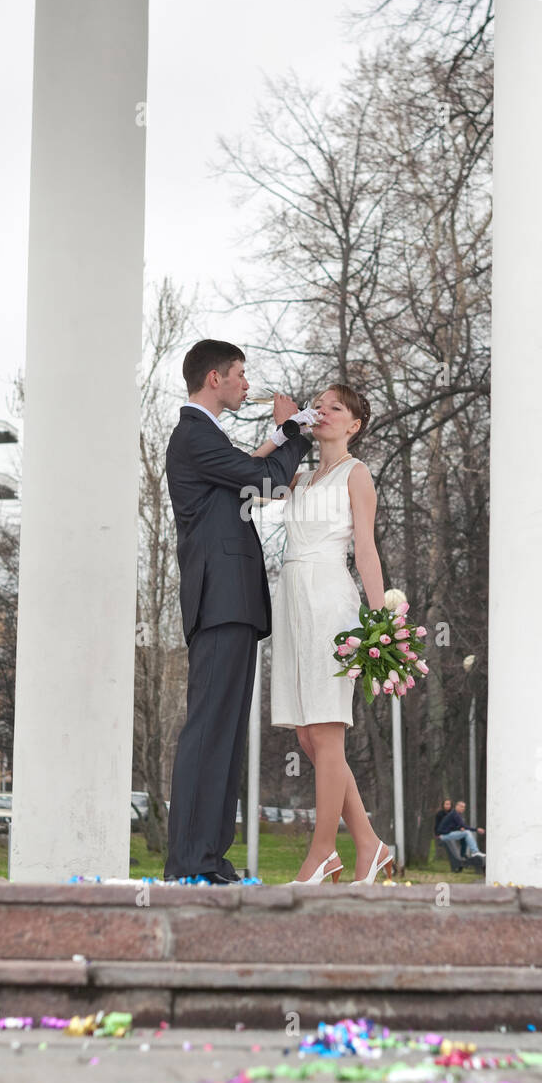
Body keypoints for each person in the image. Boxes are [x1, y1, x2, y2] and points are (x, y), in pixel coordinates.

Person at [164, 340, 313, 883]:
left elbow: (246, 470)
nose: (247, 385)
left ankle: (208, 857)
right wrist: (293, 431)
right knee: (209, 730)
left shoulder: (205, 437)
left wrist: (280, 436)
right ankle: (189, 862)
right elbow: (267, 482)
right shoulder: (193, 433)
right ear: (214, 378)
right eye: (240, 376)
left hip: (233, 602)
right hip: (220, 599)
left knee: (224, 734)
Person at [270, 384, 393, 885]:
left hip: (329, 599)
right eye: (317, 405)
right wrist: (284, 431)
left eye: (334, 408)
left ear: (354, 424)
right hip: (292, 598)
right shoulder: (297, 476)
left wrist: (381, 620)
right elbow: (254, 476)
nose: (322, 412)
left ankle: (322, 852)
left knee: (326, 727)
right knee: (307, 733)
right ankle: (368, 843)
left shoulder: (356, 474)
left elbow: (365, 550)